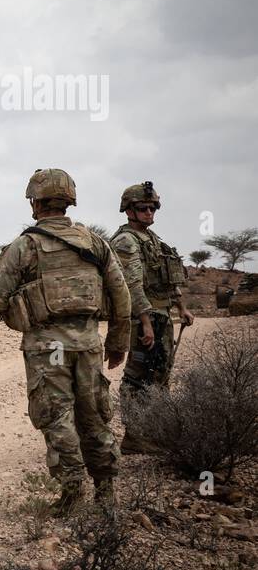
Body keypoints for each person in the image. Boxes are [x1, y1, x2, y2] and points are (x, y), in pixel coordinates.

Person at [0, 168, 131, 513]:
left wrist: (20, 306)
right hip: (89, 343)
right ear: (69, 202)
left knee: (58, 416)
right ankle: (106, 492)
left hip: (46, 348)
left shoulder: (25, 245)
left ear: (35, 202)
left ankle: (72, 490)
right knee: (94, 415)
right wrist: (117, 342)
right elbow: (121, 294)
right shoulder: (95, 243)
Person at [110, 181, 193, 453]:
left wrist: (181, 307)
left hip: (160, 315)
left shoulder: (153, 239)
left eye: (152, 208)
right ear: (129, 210)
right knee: (136, 377)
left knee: (159, 375)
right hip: (142, 319)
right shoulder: (125, 240)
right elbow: (132, 285)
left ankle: (154, 431)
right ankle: (134, 437)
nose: (149, 213)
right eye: (143, 208)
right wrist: (145, 322)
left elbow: (168, 276)